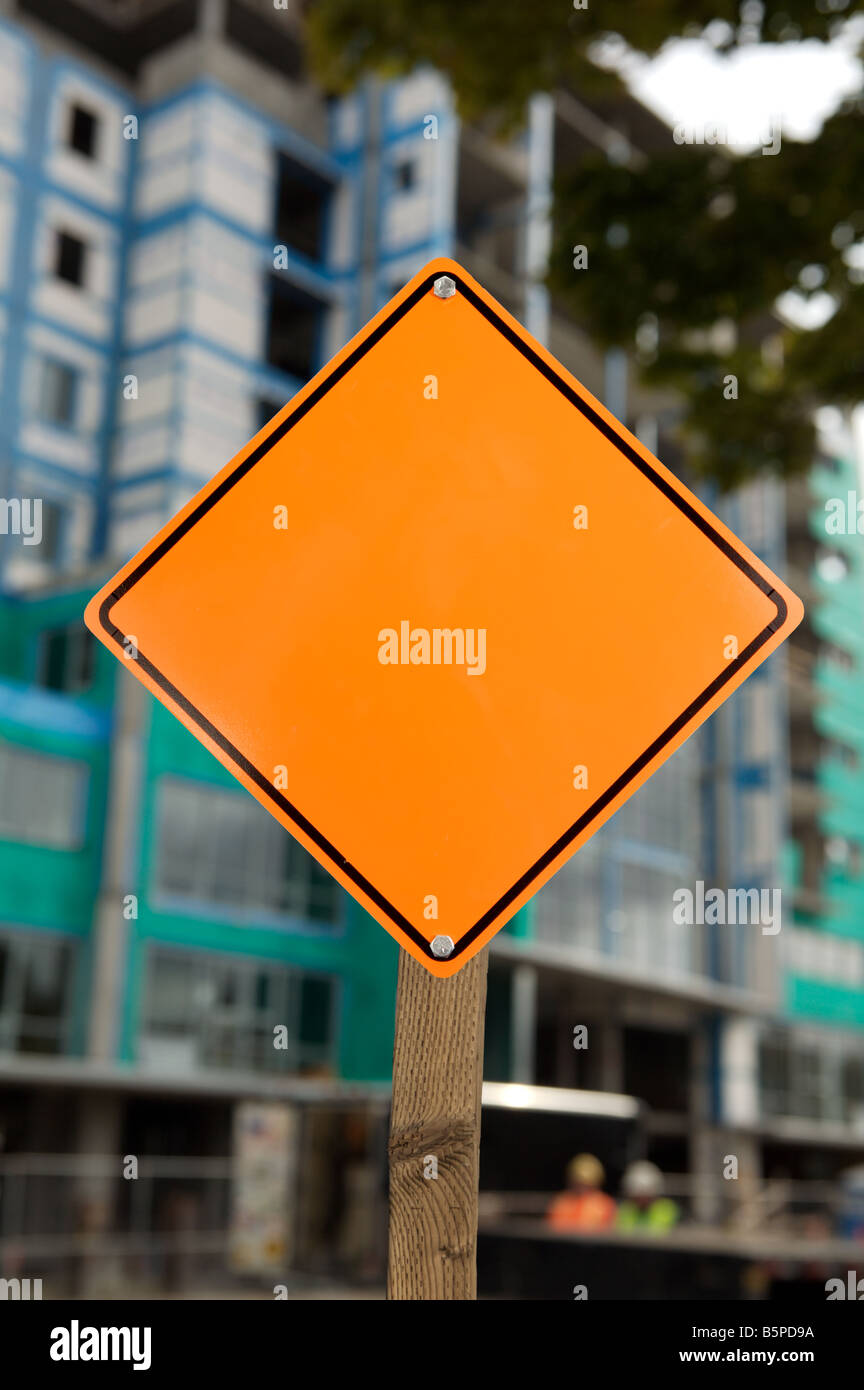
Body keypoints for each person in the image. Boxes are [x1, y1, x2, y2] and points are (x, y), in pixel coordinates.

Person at [546, 1153, 617, 1231]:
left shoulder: (605, 1204)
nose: (582, 1188)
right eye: (578, 1183)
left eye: (587, 1184)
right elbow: (555, 1229)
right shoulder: (561, 1202)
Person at [616, 1160, 680, 1232]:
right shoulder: (624, 1211)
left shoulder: (668, 1210)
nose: (642, 1200)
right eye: (638, 1196)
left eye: (646, 1196)